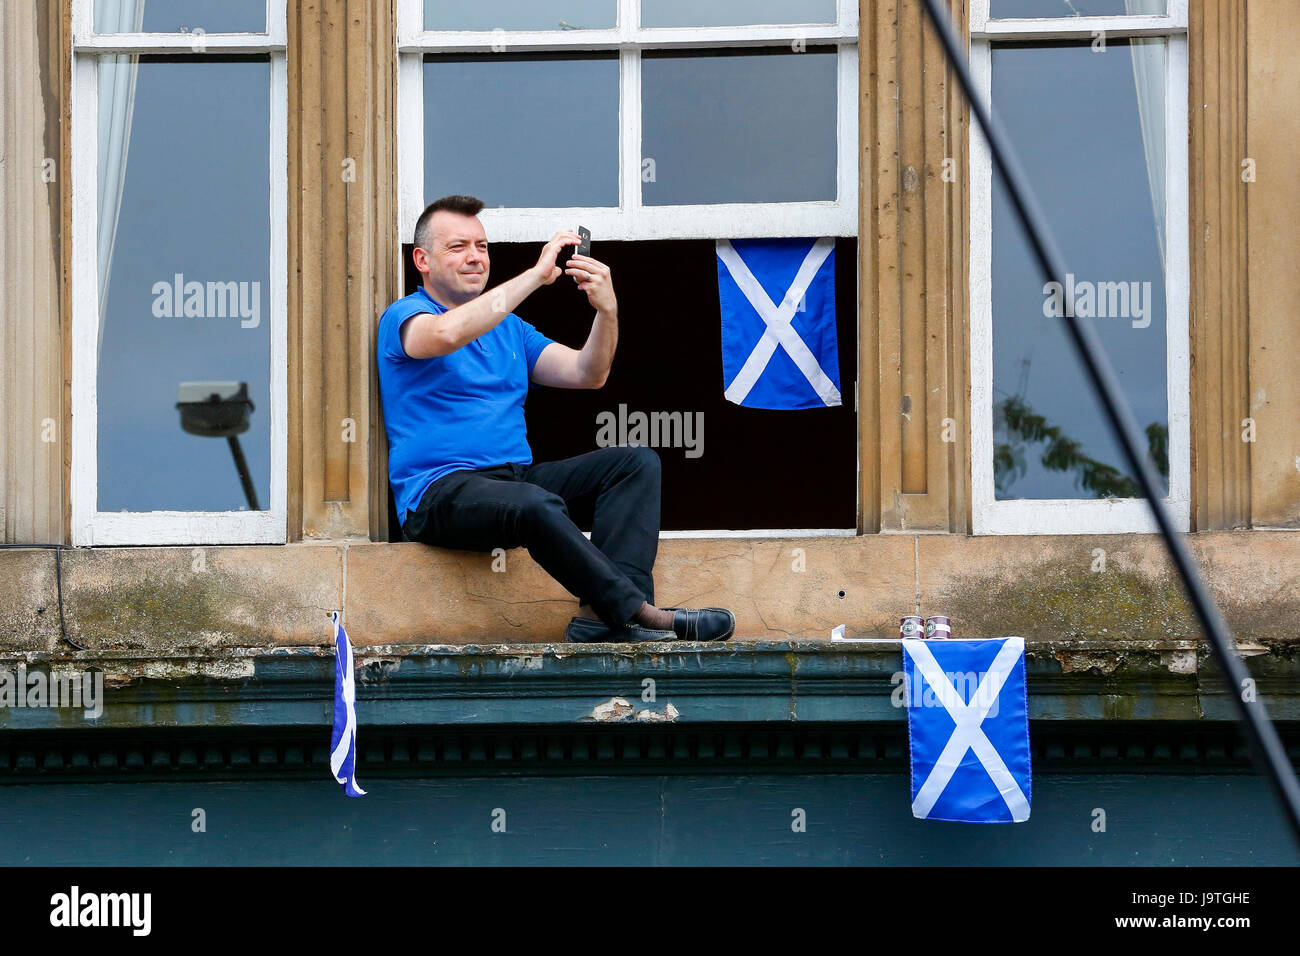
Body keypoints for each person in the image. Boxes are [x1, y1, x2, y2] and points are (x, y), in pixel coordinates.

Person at [376, 195, 735, 643]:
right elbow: (446, 334)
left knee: (635, 464)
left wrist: (607, 311)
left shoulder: (510, 328)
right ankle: (641, 615)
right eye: (458, 247)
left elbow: (589, 374)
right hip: (439, 495)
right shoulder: (405, 315)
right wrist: (536, 275)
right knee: (533, 503)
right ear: (422, 260)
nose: (475, 257)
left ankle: (599, 618)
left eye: (483, 247)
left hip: (512, 483)